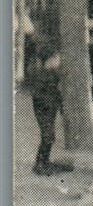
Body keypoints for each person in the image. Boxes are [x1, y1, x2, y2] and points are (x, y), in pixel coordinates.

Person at [28, 45, 64, 175]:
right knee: (48, 136)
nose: (58, 61)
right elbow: (38, 94)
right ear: (49, 60)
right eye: (56, 58)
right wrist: (51, 102)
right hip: (43, 109)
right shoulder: (41, 75)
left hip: (50, 109)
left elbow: (58, 93)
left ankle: (44, 162)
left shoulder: (53, 74)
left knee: (49, 136)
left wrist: (59, 106)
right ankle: (39, 164)